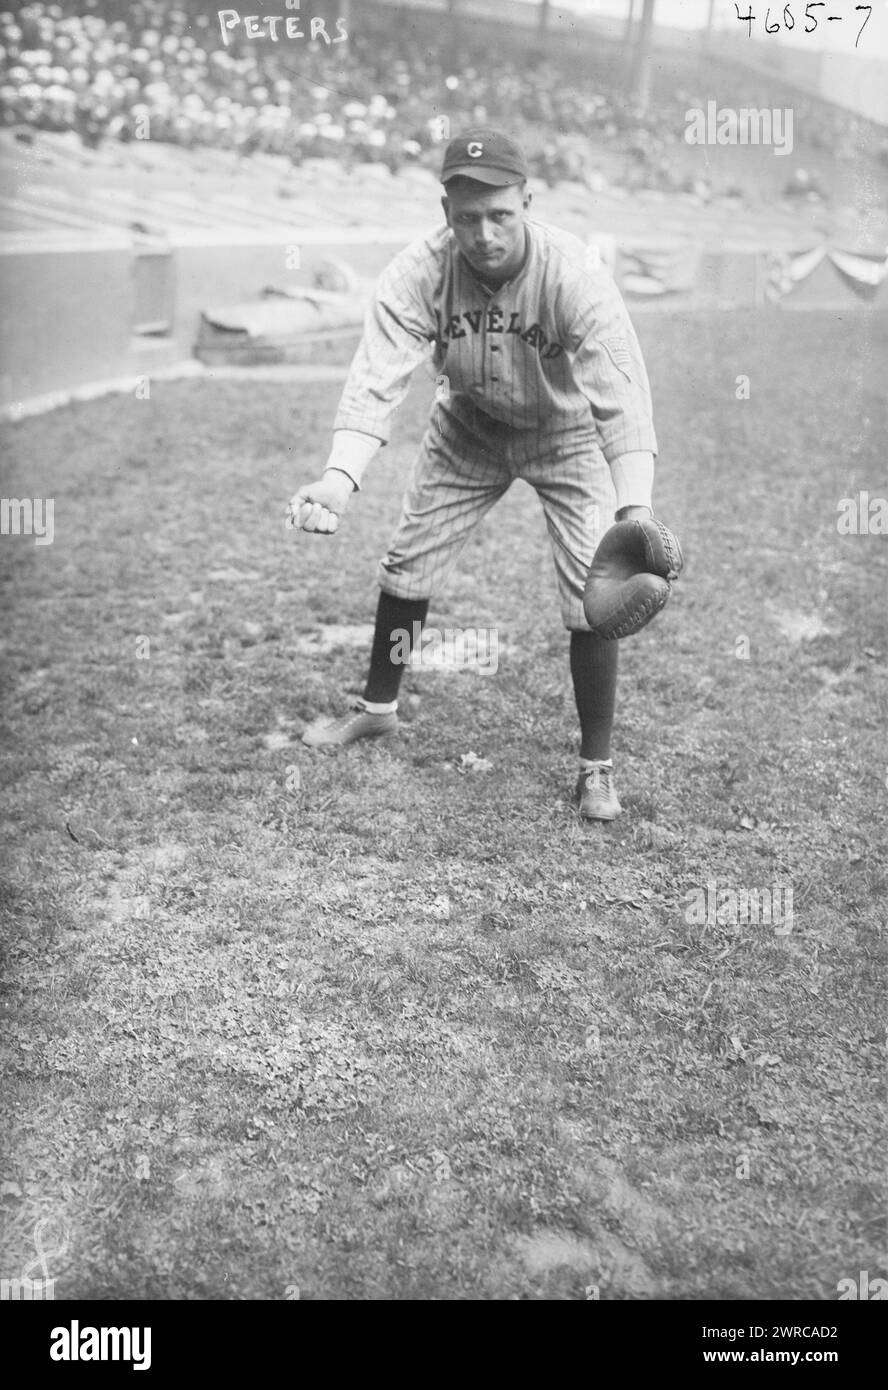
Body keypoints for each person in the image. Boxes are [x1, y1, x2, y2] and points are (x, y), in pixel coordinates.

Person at [288, 128, 658, 821]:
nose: (483, 233)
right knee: (407, 567)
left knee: (593, 591)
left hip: (567, 433)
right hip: (469, 426)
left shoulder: (574, 272)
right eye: (467, 217)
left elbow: (622, 401)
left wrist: (633, 511)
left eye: (500, 215)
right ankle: (377, 708)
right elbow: (376, 382)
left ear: (527, 201)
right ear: (445, 211)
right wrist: (339, 478)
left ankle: (596, 767)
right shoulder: (416, 272)